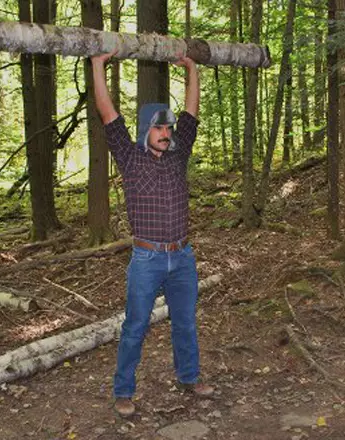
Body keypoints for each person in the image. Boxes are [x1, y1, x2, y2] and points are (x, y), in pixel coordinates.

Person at [90, 51, 214, 417]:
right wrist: (98, 65)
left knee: (186, 322)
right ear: (146, 130)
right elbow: (107, 113)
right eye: (160, 128)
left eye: (169, 128)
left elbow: (192, 113)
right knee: (136, 326)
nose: (167, 134)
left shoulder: (179, 155)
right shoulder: (129, 158)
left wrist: (192, 69)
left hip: (183, 257)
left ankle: (189, 377)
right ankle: (123, 390)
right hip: (147, 258)